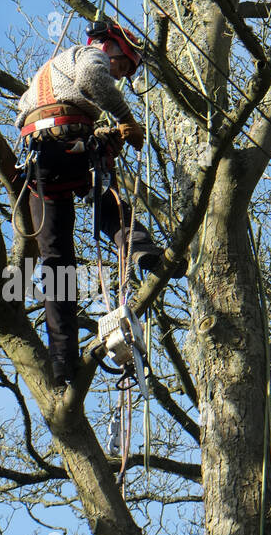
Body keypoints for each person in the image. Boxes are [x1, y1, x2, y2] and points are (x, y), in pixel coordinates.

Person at [13, 21, 166, 390]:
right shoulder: (86, 55)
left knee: (56, 264)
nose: (121, 75)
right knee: (108, 205)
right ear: (111, 47)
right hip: (66, 142)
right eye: (124, 66)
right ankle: (146, 254)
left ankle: (61, 364)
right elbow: (92, 79)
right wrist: (125, 120)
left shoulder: (42, 78)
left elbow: (32, 113)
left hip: (41, 164)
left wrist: (105, 135)